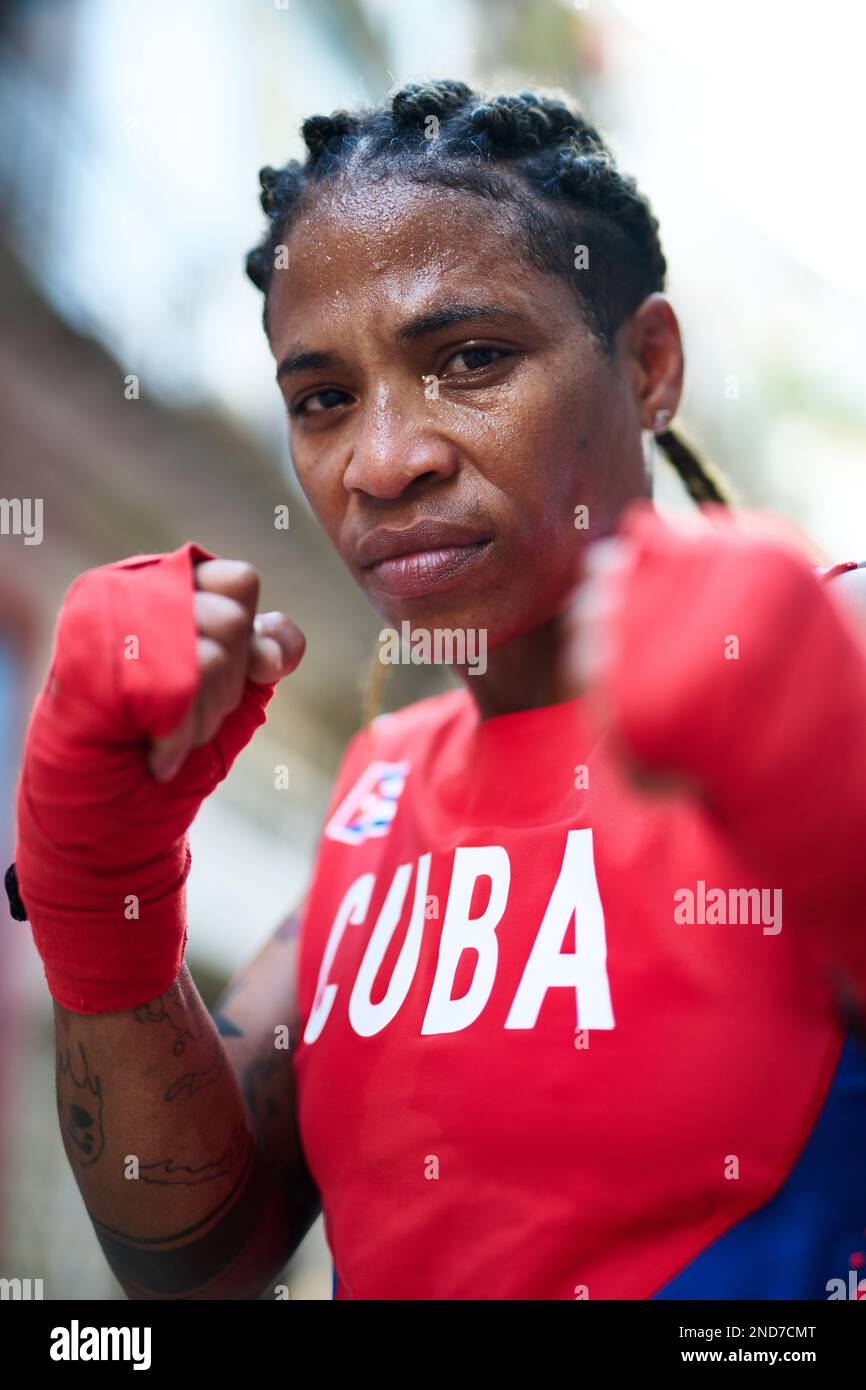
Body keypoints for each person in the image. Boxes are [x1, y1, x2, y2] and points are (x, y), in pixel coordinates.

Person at [9, 81, 866, 1301]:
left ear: (649, 365)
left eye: (470, 358)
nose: (382, 460)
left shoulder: (835, 643)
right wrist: (98, 883)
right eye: (321, 399)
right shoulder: (382, 787)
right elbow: (197, 1261)